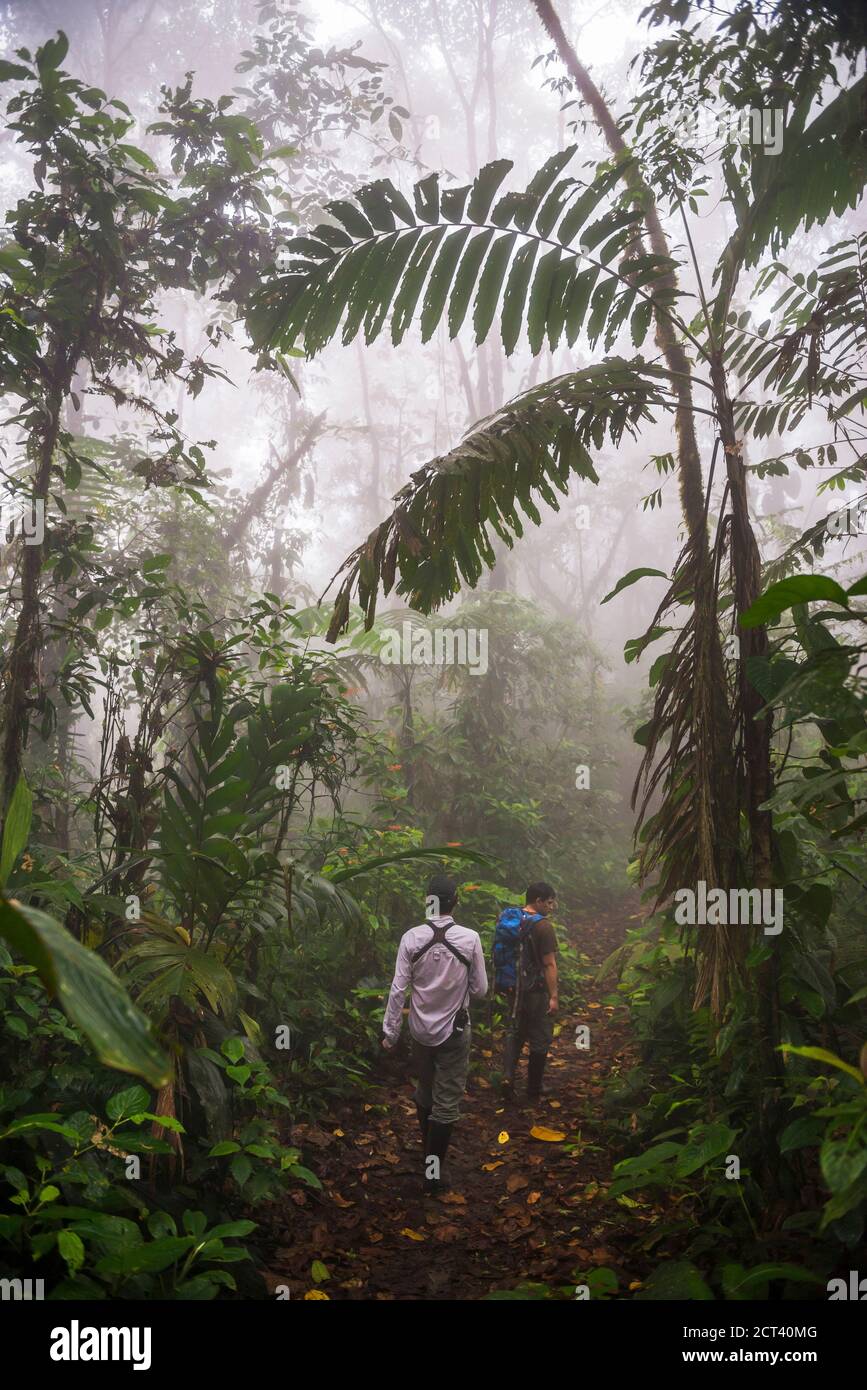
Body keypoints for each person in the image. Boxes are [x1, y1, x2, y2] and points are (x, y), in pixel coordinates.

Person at [381, 873, 487, 1194]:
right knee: (447, 1101)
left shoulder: (410, 938)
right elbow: (480, 989)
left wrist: (390, 1033)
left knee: (425, 1091)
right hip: (454, 1032)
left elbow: (398, 989)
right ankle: (433, 1172)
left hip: (419, 1032)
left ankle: (428, 1158)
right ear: (455, 902)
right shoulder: (469, 939)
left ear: (427, 901)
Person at [501, 882, 559, 1105]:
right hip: (535, 991)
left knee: (515, 1032)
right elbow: (549, 964)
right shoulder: (543, 927)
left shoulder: (511, 920)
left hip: (512, 989)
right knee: (540, 1037)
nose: (552, 907)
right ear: (538, 901)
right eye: (550, 902)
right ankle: (534, 1088)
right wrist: (553, 996)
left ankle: (507, 1077)